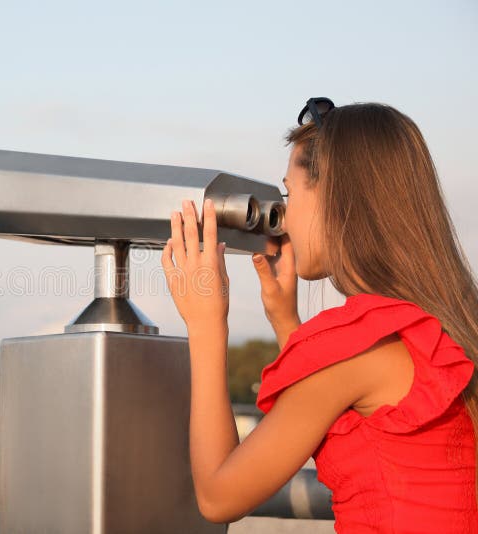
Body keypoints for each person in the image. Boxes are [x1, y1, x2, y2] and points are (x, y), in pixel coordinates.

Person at [161, 98, 478, 532]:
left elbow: (217, 497)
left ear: (335, 198)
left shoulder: (357, 345)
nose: (284, 219)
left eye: (290, 193)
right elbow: (361, 430)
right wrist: (285, 323)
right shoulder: (446, 327)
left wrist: (205, 325)